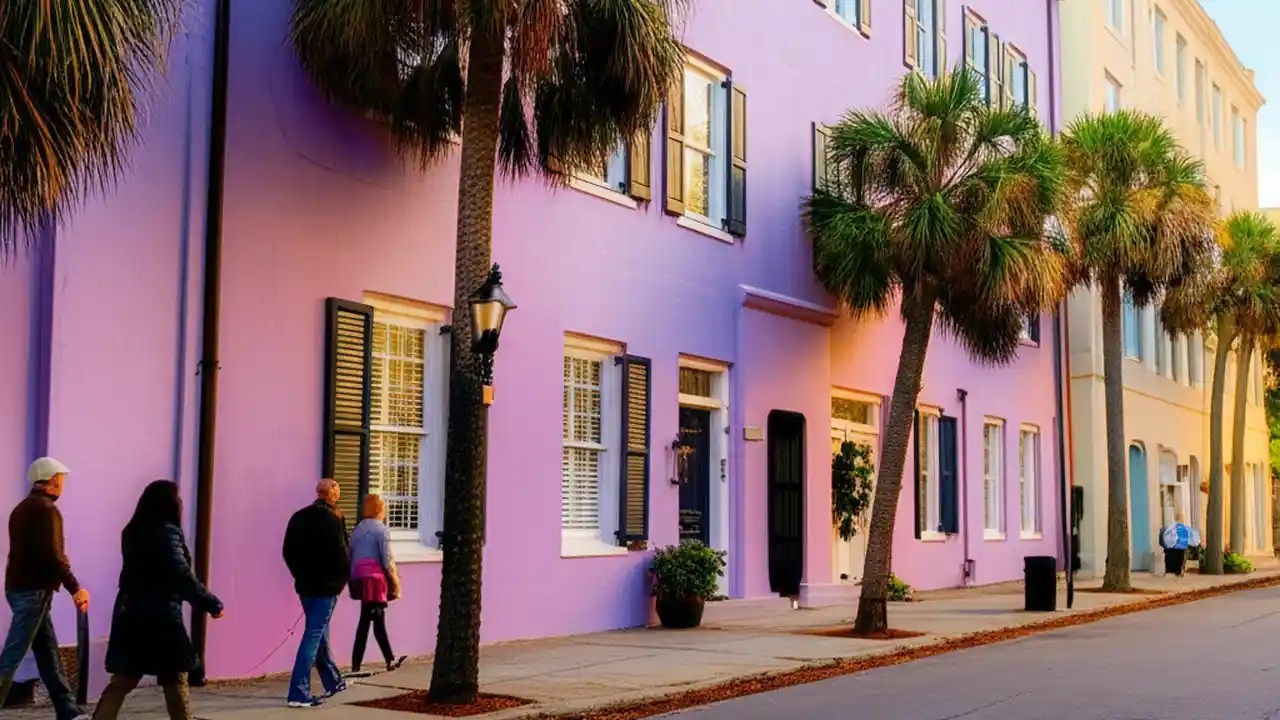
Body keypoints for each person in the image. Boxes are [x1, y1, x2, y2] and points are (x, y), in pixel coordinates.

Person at [92, 480, 223, 719]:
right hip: (161, 617)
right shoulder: (167, 533)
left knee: (125, 676)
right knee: (175, 674)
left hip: (131, 612)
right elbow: (180, 575)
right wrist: (210, 602)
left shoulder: (132, 532)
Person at [0, 457, 90, 720]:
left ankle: (68, 710)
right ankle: (67, 709)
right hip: (34, 591)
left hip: (18, 588)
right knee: (13, 654)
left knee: (48, 651)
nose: (63, 484)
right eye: (61, 479)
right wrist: (75, 588)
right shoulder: (47, 510)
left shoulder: (21, 509)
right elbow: (54, 555)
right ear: (53, 481)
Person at [283, 479, 350, 708]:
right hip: (326, 587)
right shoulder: (334, 519)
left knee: (319, 632)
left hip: (306, 586)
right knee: (313, 635)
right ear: (333, 495)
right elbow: (342, 553)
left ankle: (333, 681)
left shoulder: (298, 517)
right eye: (337, 490)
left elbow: (288, 551)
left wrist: (299, 575)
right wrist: (340, 582)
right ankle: (298, 693)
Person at [348, 494, 406, 676]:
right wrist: (395, 582)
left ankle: (359, 663)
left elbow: (351, 555)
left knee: (367, 621)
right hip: (375, 580)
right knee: (375, 621)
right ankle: (389, 660)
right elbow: (387, 559)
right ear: (380, 509)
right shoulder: (381, 530)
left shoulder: (358, 529)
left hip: (359, 577)